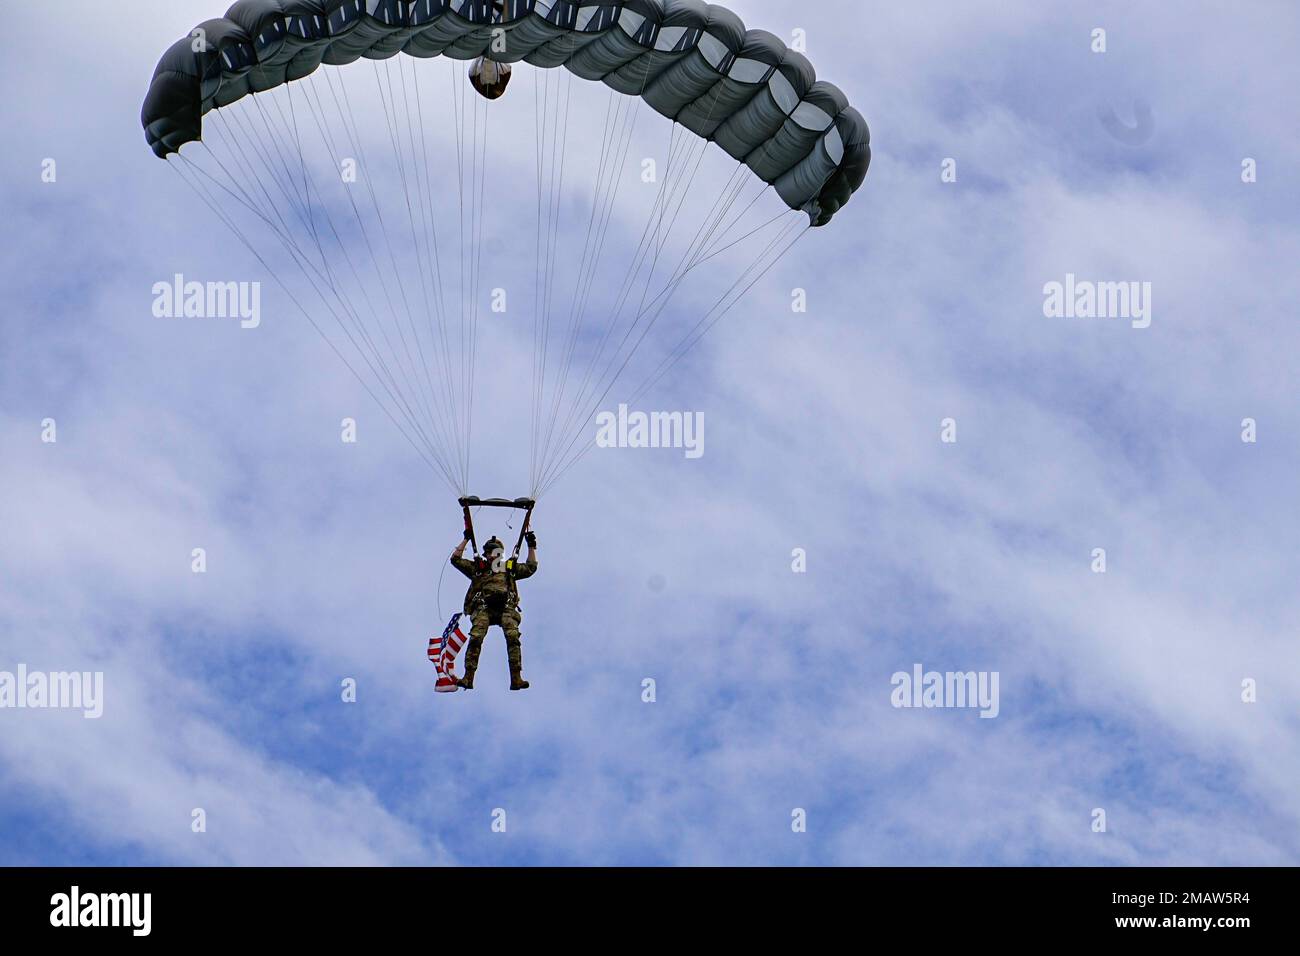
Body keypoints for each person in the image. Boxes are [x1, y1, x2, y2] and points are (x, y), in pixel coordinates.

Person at [450, 530, 538, 690]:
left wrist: (531, 546)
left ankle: (516, 678)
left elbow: (531, 567)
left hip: (506, 607)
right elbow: (455, 560)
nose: (491, 556)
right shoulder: (479, 568)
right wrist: (465, 540)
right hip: (483, 608)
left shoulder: (508, 568)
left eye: (494, 552)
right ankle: (468, 677)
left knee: (512, 637)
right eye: (489, 553)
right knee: (476, 637)